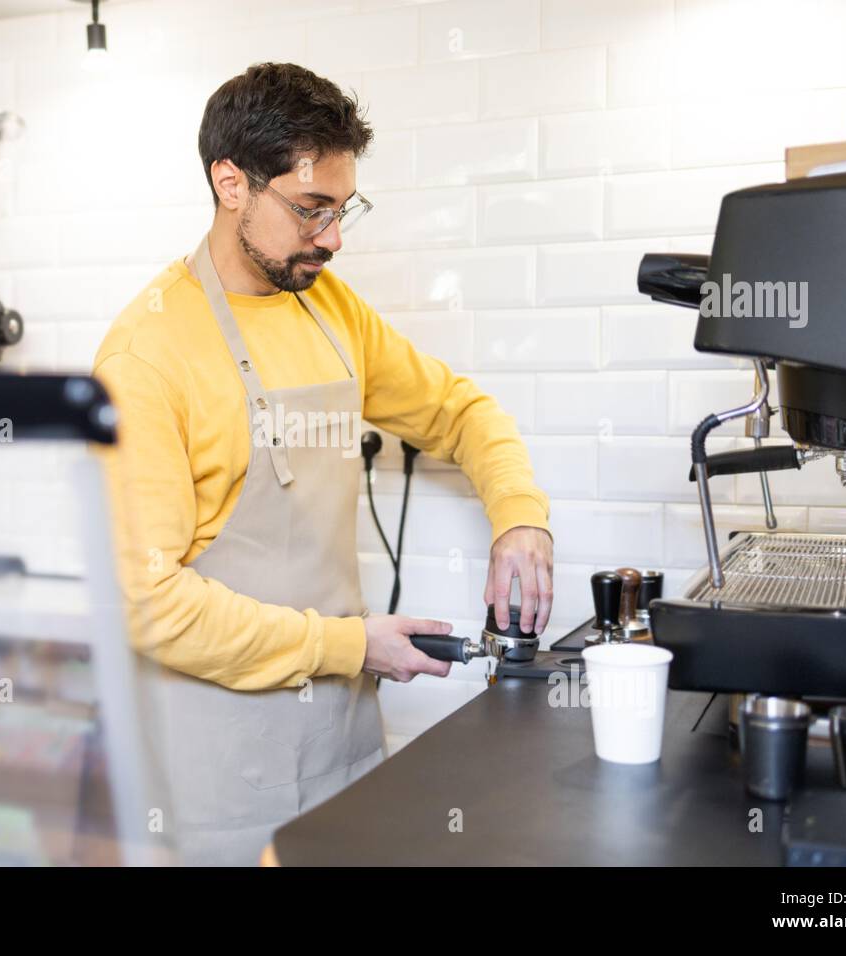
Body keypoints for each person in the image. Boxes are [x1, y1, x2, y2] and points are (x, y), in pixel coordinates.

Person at [94, 62, 552, 865]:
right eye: (310, 210)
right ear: (230, 183)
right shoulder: (147, 356)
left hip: (343, 736)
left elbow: (460, 410)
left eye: (343, 211)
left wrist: (519, 517)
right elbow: (150, 606)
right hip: (220, 773)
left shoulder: (329, 306)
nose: (333, 239)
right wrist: (352, 645)